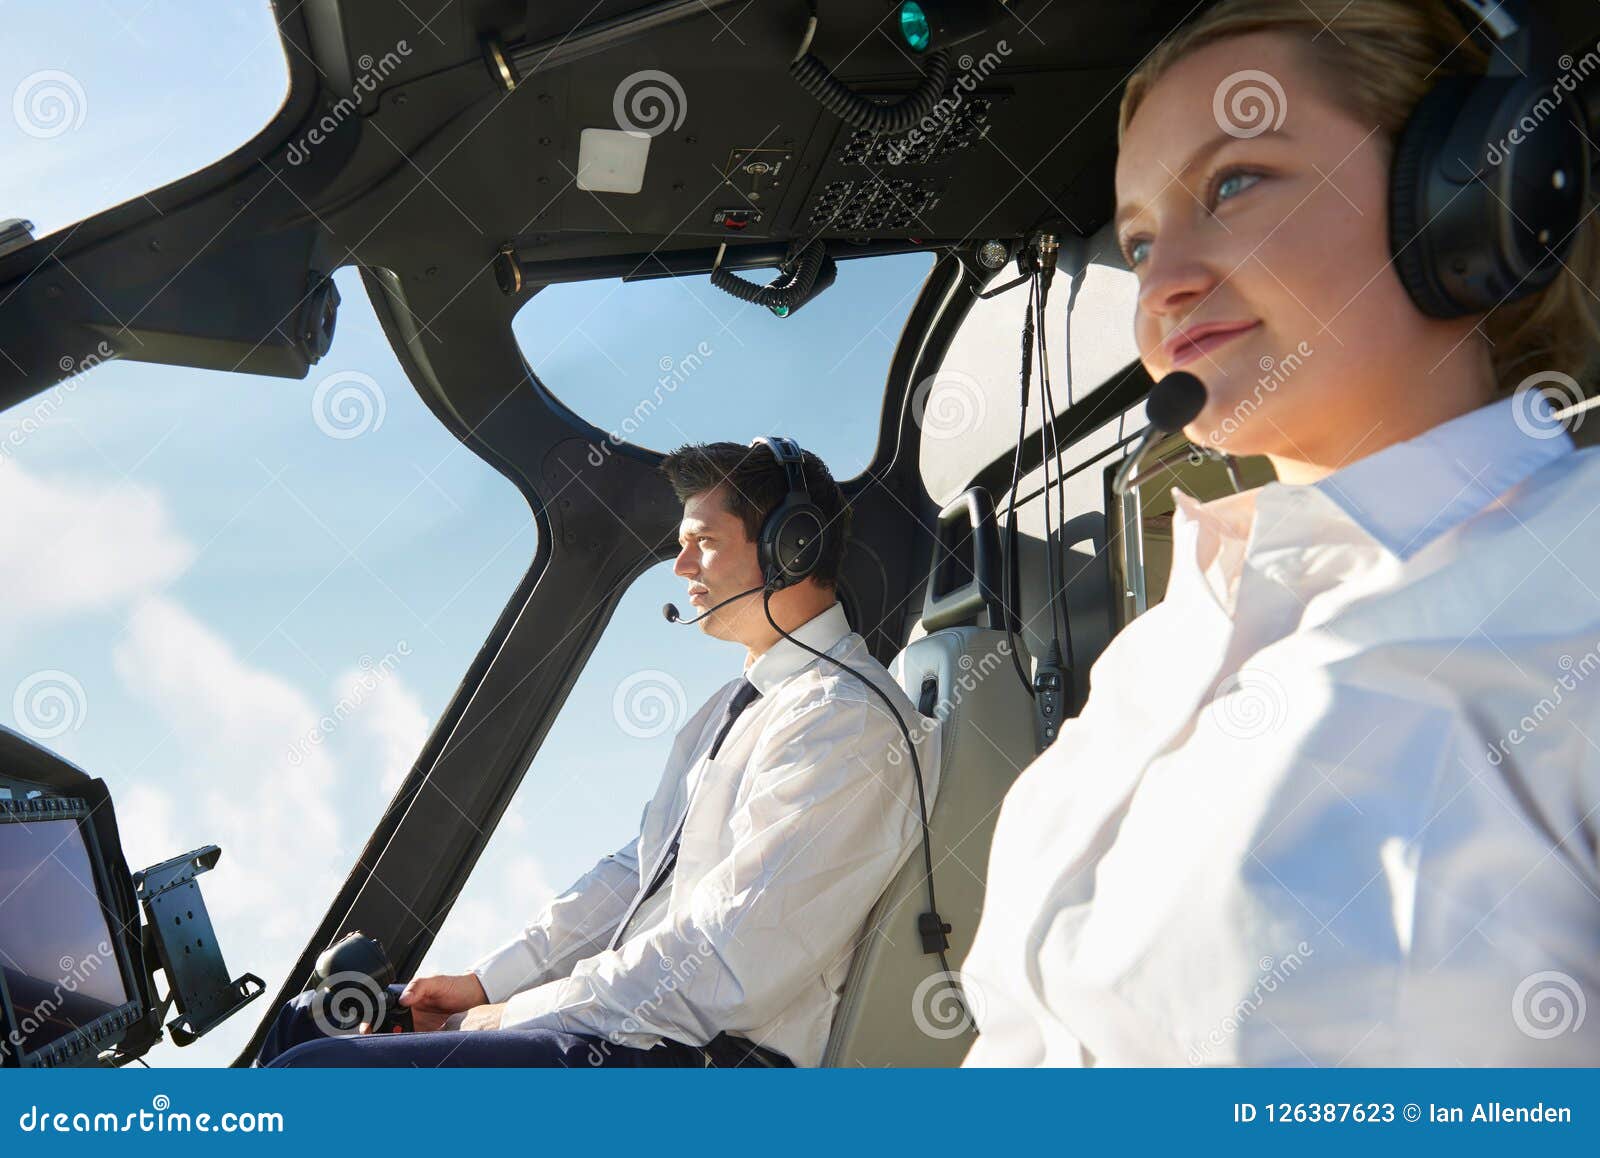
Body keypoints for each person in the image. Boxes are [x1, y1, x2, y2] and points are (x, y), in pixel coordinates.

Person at [962, 0, 1600, 1066]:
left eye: (1233, 183)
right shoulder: (1156, 653)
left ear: (1468, 194)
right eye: (1137, 240)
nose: (1161, 285)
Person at [258, 439, 939, 1067]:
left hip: (705, 1058)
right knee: (309, 1023)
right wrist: (481, 985)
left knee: (314, 1075)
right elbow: (633, 875)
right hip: (644, 1030)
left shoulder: (842, 725)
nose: (680, 566)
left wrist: (509, 1017)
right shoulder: (743, 706)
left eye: (703, 542)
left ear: (796, 546)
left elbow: (723, 964)